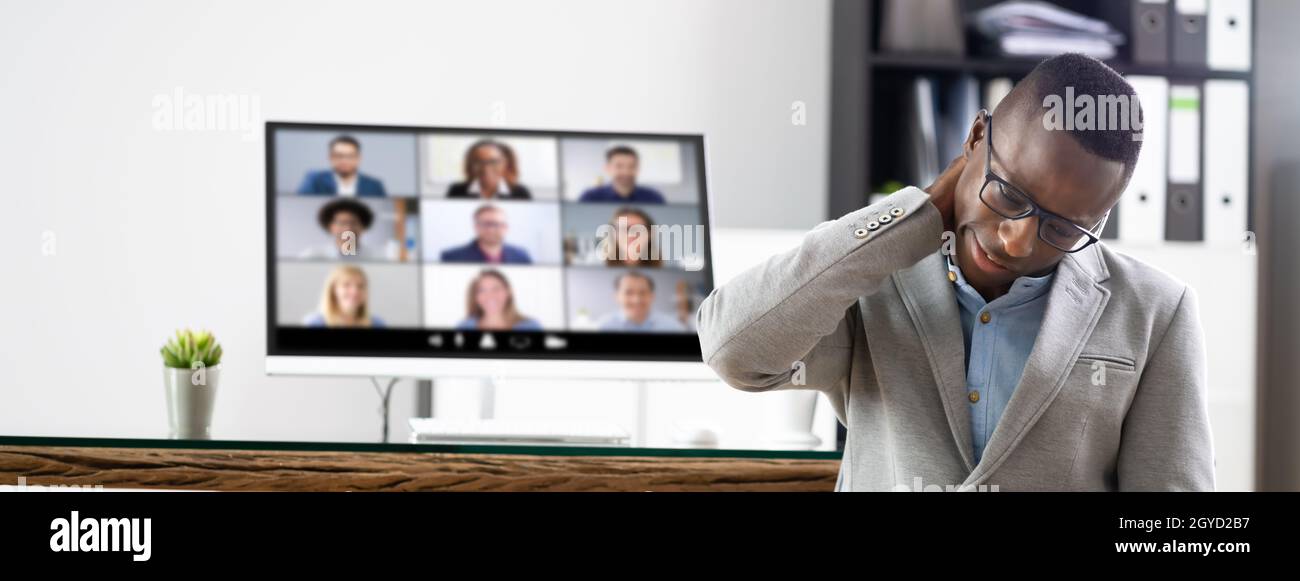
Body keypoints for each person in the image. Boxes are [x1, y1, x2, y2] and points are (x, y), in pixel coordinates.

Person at [697, 54, 1214, 491]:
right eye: (1009, 194)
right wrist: (914, 215)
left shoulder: (1155, 312)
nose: (1017, 240)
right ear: (975, 138)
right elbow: (734, 352)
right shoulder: (871, 276)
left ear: (1099, 220)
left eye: (1061, 228)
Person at [296, 135, 388, 196]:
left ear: (359, 158)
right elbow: (299, 207)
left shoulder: (374, 185)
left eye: (350, 156)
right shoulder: (314, 180)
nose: (344, 160)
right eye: (339, 156)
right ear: (330, 157)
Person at [440, 205, 533, 264]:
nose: (491, 229)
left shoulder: (522, 256)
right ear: (476, 227)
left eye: (496, 224)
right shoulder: (451, 257)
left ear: (506, 228)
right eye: (486, 224)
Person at [597, 271, 685, 333]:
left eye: (643, 293)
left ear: (652, 296)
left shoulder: (672, 327)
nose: (636, 300)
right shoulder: (604, 327)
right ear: (616, 296)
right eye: (629, 292)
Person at [455, 269, 542, 331]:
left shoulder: (530, 327)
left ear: (508, 292)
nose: (489, 296)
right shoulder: (464, 326)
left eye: (496, 289)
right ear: (475, 297)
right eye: (482, 290)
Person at [298, 198, 385, 260]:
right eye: (342, 223)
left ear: (363, 226)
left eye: (354, 223)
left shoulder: (378, 257)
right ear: (330, 227)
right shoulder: (312, 256)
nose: (348, 228)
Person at [303, 265, 386, 328]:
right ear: (333, 290)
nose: (355, 291)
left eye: (360, 286)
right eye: (346, 285)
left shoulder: (377, 324)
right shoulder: (314, 323)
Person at [445, 139, 532, 199]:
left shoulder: (520, 193)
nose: (486, 168)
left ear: (506, 164)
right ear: (470, 165)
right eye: (478, 162)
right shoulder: (456, 191)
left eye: (494, 162)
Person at [578, 145, 666, 203]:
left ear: (638, 168)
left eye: (631, 166)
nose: (626, 172)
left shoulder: (653, 198)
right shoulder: (590, 197)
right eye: (619, 166)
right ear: (608, 168)